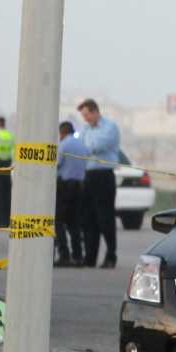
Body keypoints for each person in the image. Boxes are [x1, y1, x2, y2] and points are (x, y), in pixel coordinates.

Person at [76, 98, 122, 268]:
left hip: (104, 176)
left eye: (87, 115)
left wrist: (82, 146)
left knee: (105, 218)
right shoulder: (85, 129)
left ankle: (111, 255)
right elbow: (80, 147)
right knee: (88, 219)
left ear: (95, 112)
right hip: (88, 175)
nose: (85, 119)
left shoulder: (109, 127)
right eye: (83, 116)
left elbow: (94, 146)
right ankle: (90, 257)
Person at [54, 119, 87, 268]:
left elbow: (56, 164)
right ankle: (78, 256)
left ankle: (64, 255)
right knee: (74, 223)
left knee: (59, 222)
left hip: (65, 187)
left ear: (62, 132)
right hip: (79, 187)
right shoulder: (81, 144)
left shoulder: (63, 145)